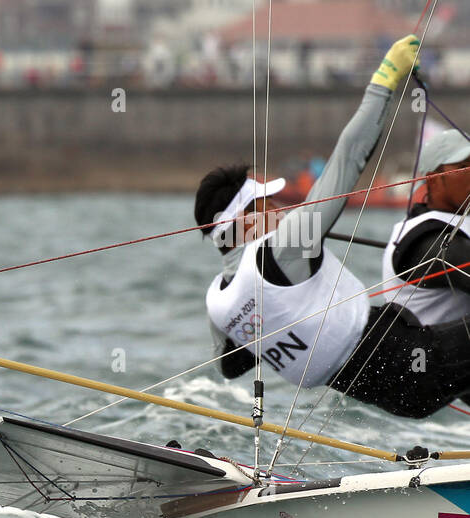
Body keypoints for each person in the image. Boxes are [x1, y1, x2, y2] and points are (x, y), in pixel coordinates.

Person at [194, 35, 470, 419]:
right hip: (412, 358)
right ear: (246, 219)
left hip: (393, 396)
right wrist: (386, 79)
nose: (281, 209)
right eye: (269, 204)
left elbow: (230, 366)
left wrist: (277, 322)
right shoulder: (284, 249)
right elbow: (348, 158)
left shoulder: (220, 306)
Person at [379, 128, 470, 325]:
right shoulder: (431, 240)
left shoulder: (458, 221)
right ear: (433, 177)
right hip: (428, 353)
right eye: (464, 166)